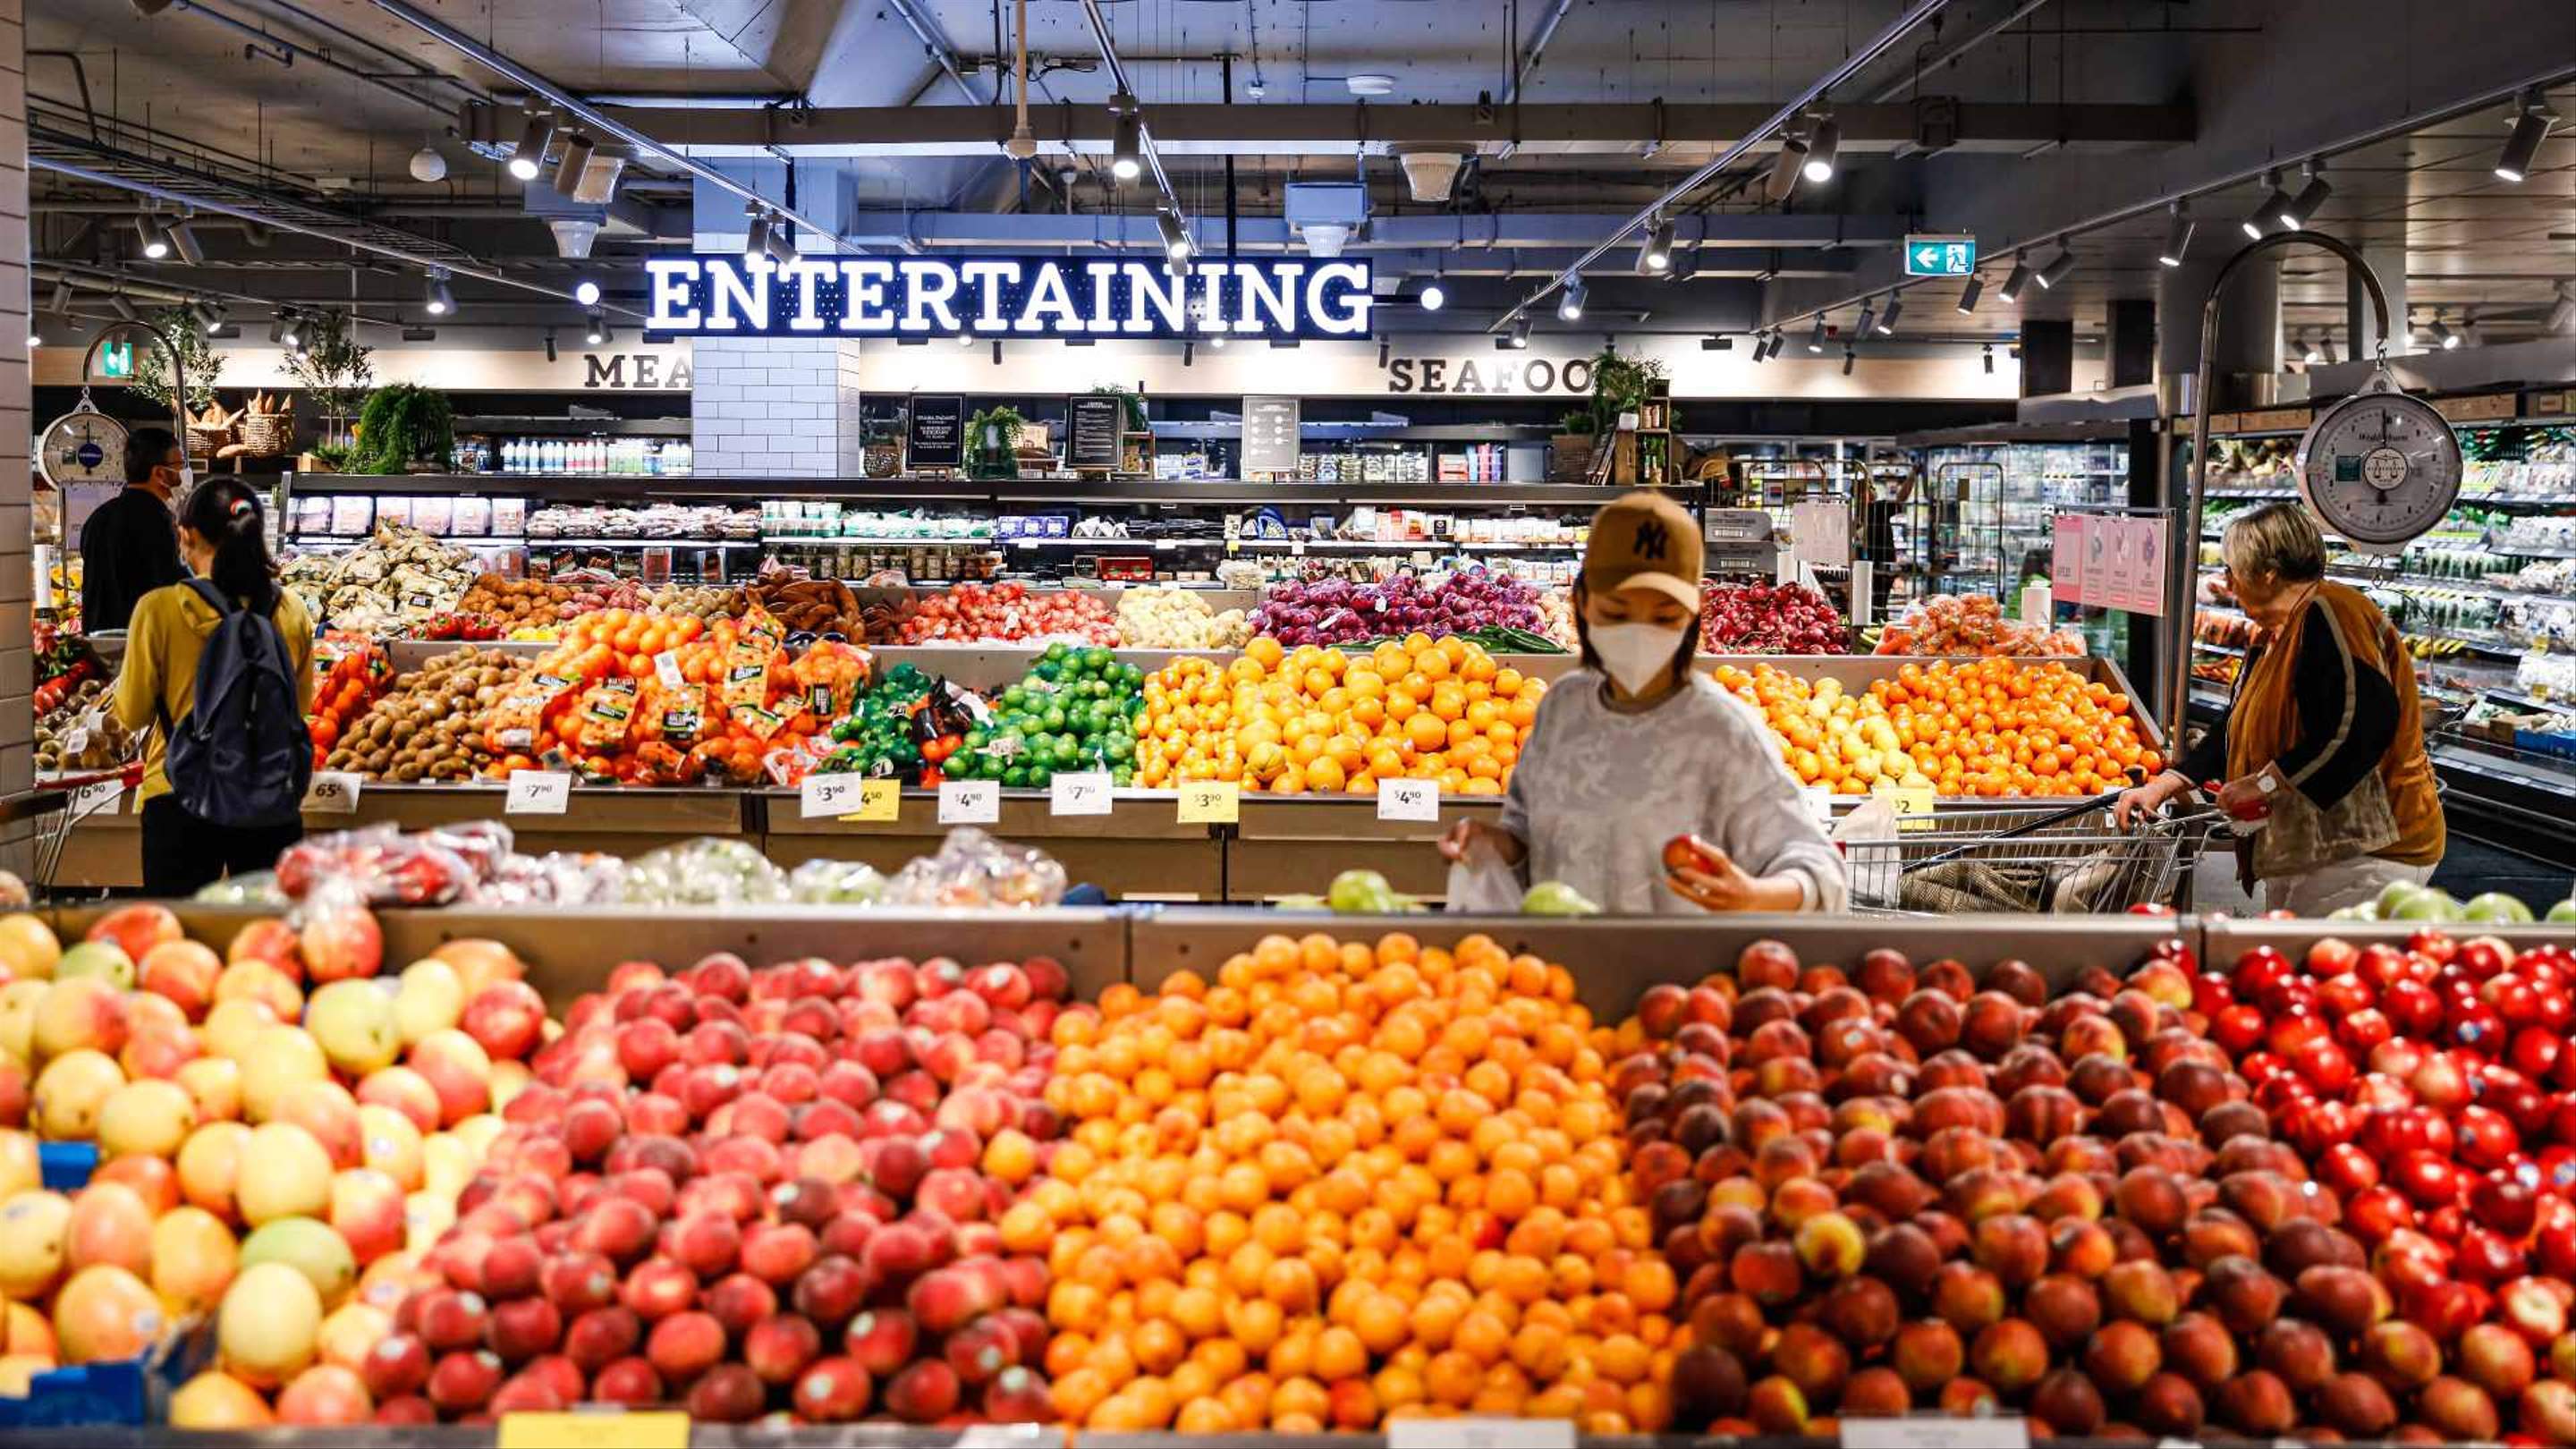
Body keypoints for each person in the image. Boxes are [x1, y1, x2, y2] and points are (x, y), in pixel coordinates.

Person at [1440, 491, 1849, 913]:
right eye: (1617, 614)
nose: (1639, 633)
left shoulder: (1721, 730)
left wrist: (1753, 895)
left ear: (1693, 615)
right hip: (1560, 971)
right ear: (1581, 603)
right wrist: (1493, 845)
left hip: (1678, 974)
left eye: (1665, 617)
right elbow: (1528, 834)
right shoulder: (1562, 709)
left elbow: (1820, 868)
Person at [2115, 501, 2444, 913]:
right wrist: (2166, 784)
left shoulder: (2332, 613)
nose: (2229, 585)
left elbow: (2360, 727)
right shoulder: (2271, 635)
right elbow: (2233, 727)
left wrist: (2266, 784)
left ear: (2267, 573)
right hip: (2313, 848)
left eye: (2233, 571)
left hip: (2366, 850)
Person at [110, 479, 316, 896]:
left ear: (187, 534)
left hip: (178, 793)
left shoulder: (159, 609)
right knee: (266, 937)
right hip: (269, 794)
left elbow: (130, 714)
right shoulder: (290, 608)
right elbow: (303, 706)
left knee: (180, 940)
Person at [78, 426, 189, 634]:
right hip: (139, 640)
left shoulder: (98, 516)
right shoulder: (159, 521)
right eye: (180, 466)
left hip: (97, 640)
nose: (183, 475)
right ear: (159, 474)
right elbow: (167, 587)